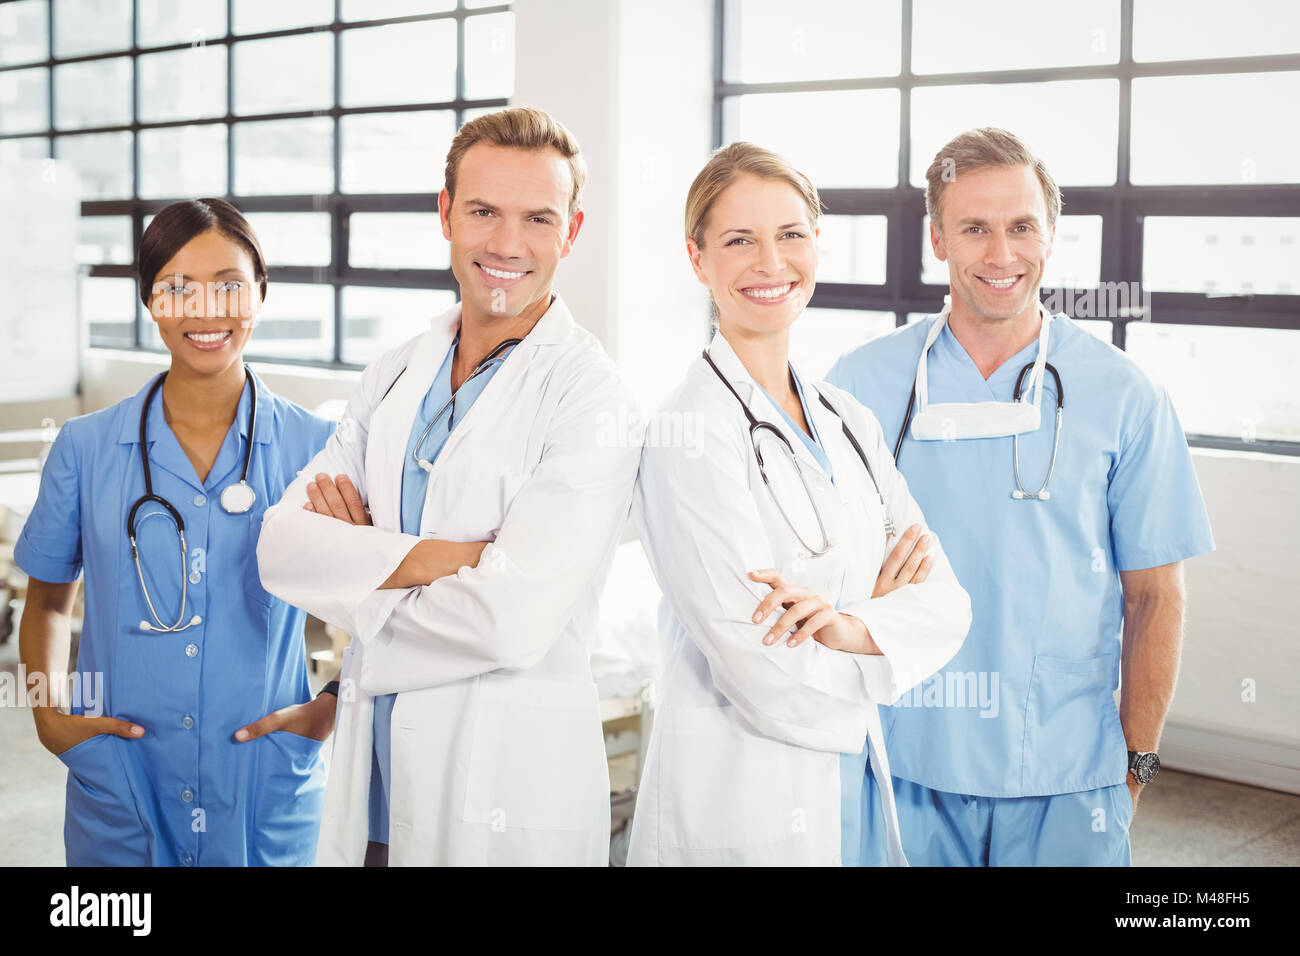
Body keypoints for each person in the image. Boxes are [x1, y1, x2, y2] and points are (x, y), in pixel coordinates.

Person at [255, 107, 641, 866]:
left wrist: (361, 569)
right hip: (373, 795)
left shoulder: (592, 399)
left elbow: (508, 624)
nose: (506, 244)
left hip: (503, 796)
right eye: (483, 212)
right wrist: (449, 557)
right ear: (445, 214)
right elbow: (281, 547)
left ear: (572, 230)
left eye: (538, 218)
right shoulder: (395, 371)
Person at [826, 127, 1215, 866]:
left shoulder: (1124, 395)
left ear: (1051, 234)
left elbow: (1156, 598)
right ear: (937, 239)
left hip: (1066, 778)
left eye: (1022, 227)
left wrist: (1137, 765)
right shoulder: (861, 384)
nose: (1002, 255)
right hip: (901, 764)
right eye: (974, 228)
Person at [627, 142, 971, 866]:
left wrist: (845, 627)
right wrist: (884, 640)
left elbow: (947, 601)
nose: (770, 262)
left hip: (853, 787)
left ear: (818, 242)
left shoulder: (848, 419)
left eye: (790, 235)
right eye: (738, 240)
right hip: (742, 790)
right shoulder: (688, 432)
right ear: (699, 260)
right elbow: (755, 665)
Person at [16, 199, 337, 866]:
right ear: (150, 302)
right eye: (177, 288)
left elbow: (376, 607)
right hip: (124, 784)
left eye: (228, 285)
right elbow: (47, 602)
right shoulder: (85, 448)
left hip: (262, 780)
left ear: (261, 294)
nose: (206, 310)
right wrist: (49, 717)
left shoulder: (320, 448)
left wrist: (330, 705)